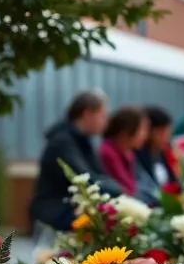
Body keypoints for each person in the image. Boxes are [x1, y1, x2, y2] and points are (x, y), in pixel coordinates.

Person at [29, 89, 119, 231]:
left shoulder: (81, 141)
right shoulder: (62, 142)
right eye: (102, 115)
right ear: (88, 113)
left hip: (67, 208)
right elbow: (84, 179)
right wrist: (118, 190)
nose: (105, 121)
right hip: (55, 212)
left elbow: (98, 177)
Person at [99, 106, 148, 197]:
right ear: (125, 131)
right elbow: (127, 190)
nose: (145, 135)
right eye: (142, 129)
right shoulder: (108, 153)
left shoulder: (128, 153)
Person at [136, 105, 177, 194]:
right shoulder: (138, 157)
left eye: (167, 132)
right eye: (161, 133)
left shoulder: (161, 153)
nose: (166, 137)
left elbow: (174, 183)